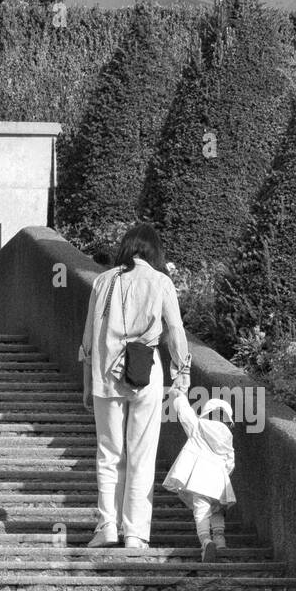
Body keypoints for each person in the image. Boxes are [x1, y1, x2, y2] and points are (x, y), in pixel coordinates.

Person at [79, 223, 190, 549]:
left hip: (106, 374)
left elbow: (88, 339)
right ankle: (136, 534)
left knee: (109, 454)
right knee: (142, 454)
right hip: (147, 372)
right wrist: (181, 378)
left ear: (126, 248)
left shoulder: (103, 281)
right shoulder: (161, 282)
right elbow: (176, 331)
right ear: (154, 252)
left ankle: (107, 527)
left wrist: (87, 383)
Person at [163, 393, 236, 562]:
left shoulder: (198, 426)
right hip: (219, 481)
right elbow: (230, 462)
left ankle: (205, 541)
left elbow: (185, 414)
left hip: (199, 479)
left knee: (201, 512)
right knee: (217, 510)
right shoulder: (227, 436)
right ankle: (219, 538)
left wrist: (179, 396)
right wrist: (225, 476)